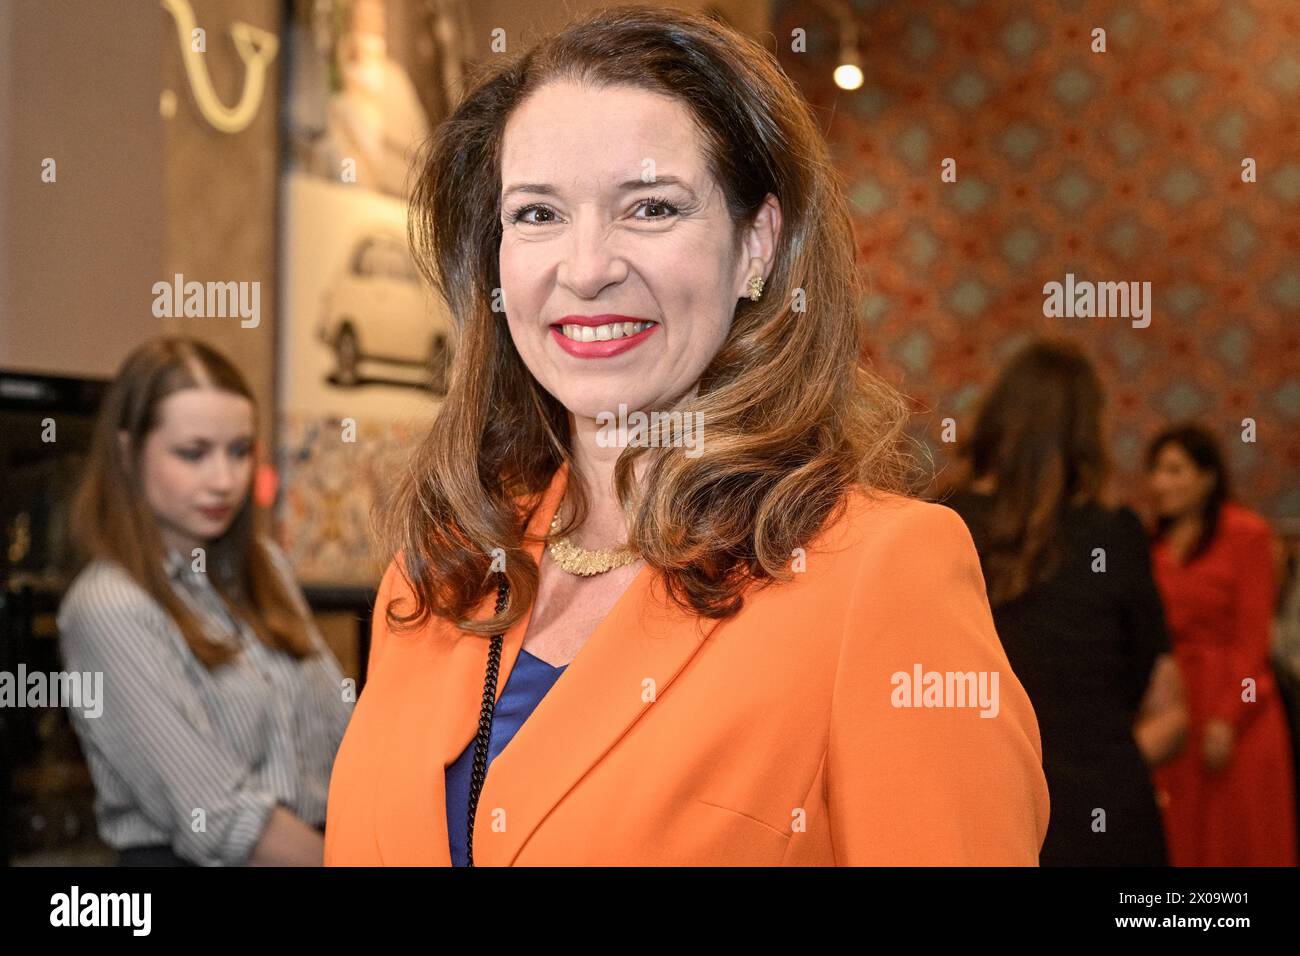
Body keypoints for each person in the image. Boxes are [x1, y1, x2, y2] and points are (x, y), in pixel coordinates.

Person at [325, 5, 1049, 866]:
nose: (586, 267)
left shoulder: (881, 578)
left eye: (652, 207)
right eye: (536, 215)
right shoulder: (439, 566)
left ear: (756, 245)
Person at [57, 337, 351, 866]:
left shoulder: (264, 567)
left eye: (239, 452)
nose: (224, 480)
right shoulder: (107, 606)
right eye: (193, 453)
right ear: (127, 452)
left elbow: (345, 732)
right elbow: (216, 813)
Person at [942, 338, 1183, 866]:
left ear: (997, 417)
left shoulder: (943, 524)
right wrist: (1102, 773)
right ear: (1088, 435)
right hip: (1106, 817)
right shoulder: (1115, 534)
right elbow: (1169, 712)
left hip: (980, 813)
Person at [1145, 422, 1297, 865]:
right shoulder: (1153, 542)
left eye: (1175, 470)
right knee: (1179, 833)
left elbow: (1254, 637)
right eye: (1155, 470)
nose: (1160, 483)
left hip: (1233, 702)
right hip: (1173, 702)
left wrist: (1228, 717)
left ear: (1207, 477)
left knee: (1236, 835)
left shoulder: (1246, 533)